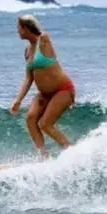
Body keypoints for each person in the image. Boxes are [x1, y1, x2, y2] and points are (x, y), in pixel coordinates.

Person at [9, 15, 75, 158]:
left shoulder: (43, 40)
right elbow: (28, 78)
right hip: (45, 94)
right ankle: (43, 156)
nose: (17, 32)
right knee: (31, 119)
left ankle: (70, 152)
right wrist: (18, 100)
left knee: (45, 124)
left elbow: (42, 33)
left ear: (25, 28)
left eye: (18, 28)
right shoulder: (27, 51)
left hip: (62, 89)